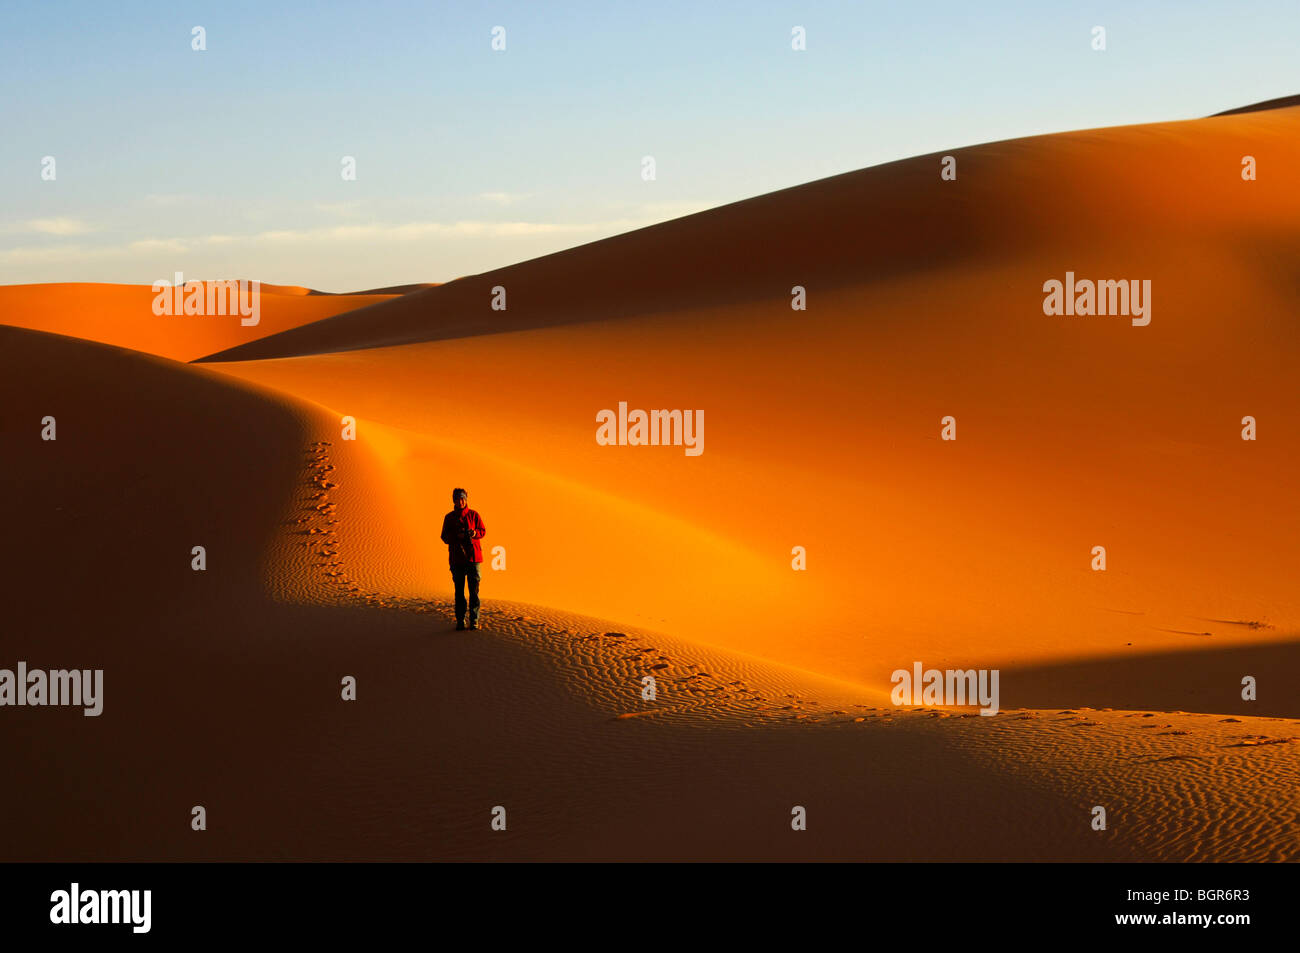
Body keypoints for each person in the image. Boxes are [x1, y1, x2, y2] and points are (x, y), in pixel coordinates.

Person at [439, 487, 486, 630]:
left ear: (466, 500)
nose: (460, 502)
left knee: (474, 592)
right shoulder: (449, 518)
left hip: (473, 558)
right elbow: (444, 537)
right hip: (457, 559)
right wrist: (456, 537)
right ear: (453, 500)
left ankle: (474, 620)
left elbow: (483, 531)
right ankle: (460, 621)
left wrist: (474, 533)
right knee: (459, 592)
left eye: (462, 499)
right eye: (457, 499)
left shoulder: (474, 515)